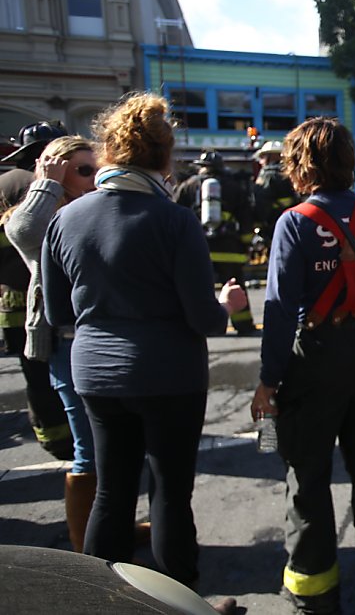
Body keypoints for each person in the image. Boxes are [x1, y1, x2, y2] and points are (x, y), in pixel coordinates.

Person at [41, 93, 246, 614]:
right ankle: (179, 605)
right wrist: (226, 304)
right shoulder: (175, 221)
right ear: (164, 157)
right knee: (170, 494)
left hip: (97, 374)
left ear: (109, 152)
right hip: (169, 374)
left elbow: (59, 312)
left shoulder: (65, 220)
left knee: (111, 493)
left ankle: (96, 603)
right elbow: (205, 319)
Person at [250, 117, 355, 615]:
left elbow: (278, 310)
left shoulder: (294, 222)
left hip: (313, 360)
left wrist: (268, 382)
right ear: (348, 161)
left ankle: (314, 591)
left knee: (309, 478)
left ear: (299, 166)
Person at [6, 135, 101, 552]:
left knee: (113, 447)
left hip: (102, 338)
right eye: (82, 170)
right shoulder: (44, 212)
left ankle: (108, 527)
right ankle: (87, 548)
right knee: (88, 449)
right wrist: (47, 183)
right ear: (55, 172)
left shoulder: (94, 205)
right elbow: (23, 232)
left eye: (96, 167)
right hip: (65, 343)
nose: (93, 177)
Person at [0, 121, 74, 462]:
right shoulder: (49, 187)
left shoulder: (4, 183)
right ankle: (66, 436)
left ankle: (52, 436)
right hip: (49, 300)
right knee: (59, 377)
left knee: (34, 373)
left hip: (13, 301)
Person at [174, 149, 256, 333]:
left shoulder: (188, 186)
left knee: (201, 290)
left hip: (198, 249)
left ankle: (207, 326)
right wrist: (245, 243)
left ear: (201, 167)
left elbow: (175, 215)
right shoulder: (234, 186)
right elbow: (246, 218)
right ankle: (244, 325)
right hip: (230, 249)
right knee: (235, 287)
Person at [253, 140, 298, 251]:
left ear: (270, 156)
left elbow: (261, 205)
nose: (261, 161)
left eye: (262, 157)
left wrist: (259, 225)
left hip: (273, 227)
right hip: (295, 225)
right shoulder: (293, 174)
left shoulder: (267, 176)